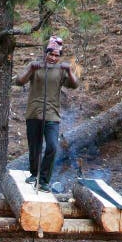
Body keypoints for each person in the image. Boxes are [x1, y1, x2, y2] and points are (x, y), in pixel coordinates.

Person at [14, 36, 79, 193]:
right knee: (34, 147)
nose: (53, 58)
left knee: (51, 146)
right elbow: (19, 81)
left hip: (52, 115)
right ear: (45, 53)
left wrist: (70, 70)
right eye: (51, 54)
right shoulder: (35, 67)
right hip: (34, 113)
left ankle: (43, 180)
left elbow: (75, 85)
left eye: (57, 56)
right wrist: (31, 69)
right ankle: (34, 174)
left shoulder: (61, 71)